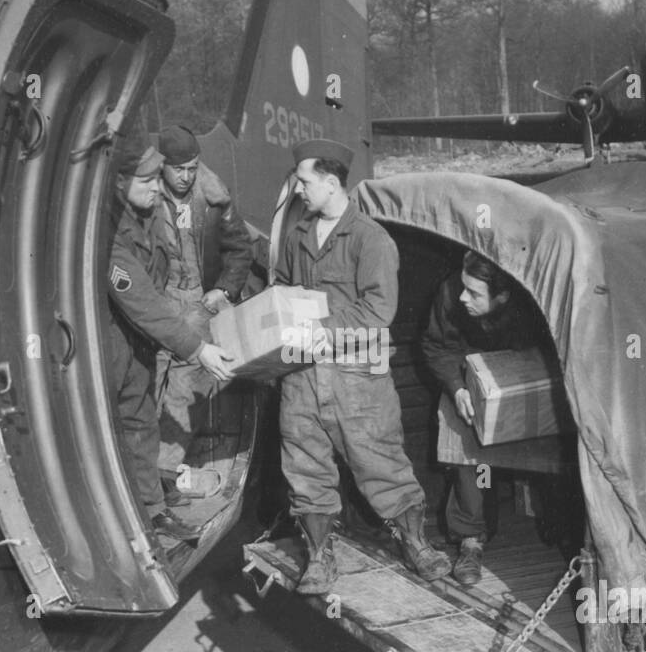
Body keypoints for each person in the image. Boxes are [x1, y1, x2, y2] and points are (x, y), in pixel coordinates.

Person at [274, 138, 450, 594]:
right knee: (305, 466)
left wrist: (320, 330)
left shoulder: (372, 239)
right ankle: (318, 557)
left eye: (305, 183)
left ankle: (415, 544)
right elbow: (284, 290)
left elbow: (378, 312)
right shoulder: (297, 237)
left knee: (380, 461)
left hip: (357, 377)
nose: (299, 192)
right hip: (302, 374)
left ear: (332, 183)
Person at [105, 136, 236, 544]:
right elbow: (142, 300)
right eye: (145, 182)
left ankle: (154, 513)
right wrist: (197, 348)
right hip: (110, 345)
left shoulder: (144, 215)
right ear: (120, 183)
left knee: (142, 426)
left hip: (139, 345)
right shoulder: (108, 234)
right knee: (111, 429)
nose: (156, 187)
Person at [421, 251, 547, 584]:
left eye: (475, 293)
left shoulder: (532, 299)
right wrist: (457, 387)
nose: (463, 297)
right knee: (470, 454)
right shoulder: (452, 293)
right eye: (463, 287)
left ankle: (558, 528)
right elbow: (436, 347)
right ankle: (471, 539)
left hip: (524, 378)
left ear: (503, 296)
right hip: (468, 380)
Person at [152, 124, 254, 505]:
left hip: (196, 300)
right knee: (148, 387)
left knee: (185, 390)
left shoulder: (213, 197)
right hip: (158, 303)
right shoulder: (144, 195)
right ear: (162, 166)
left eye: (193, 167)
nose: (186, 176)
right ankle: (144, 476)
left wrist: (223, 290)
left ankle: (164, 474)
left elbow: (240, 248)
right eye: (178, 169)